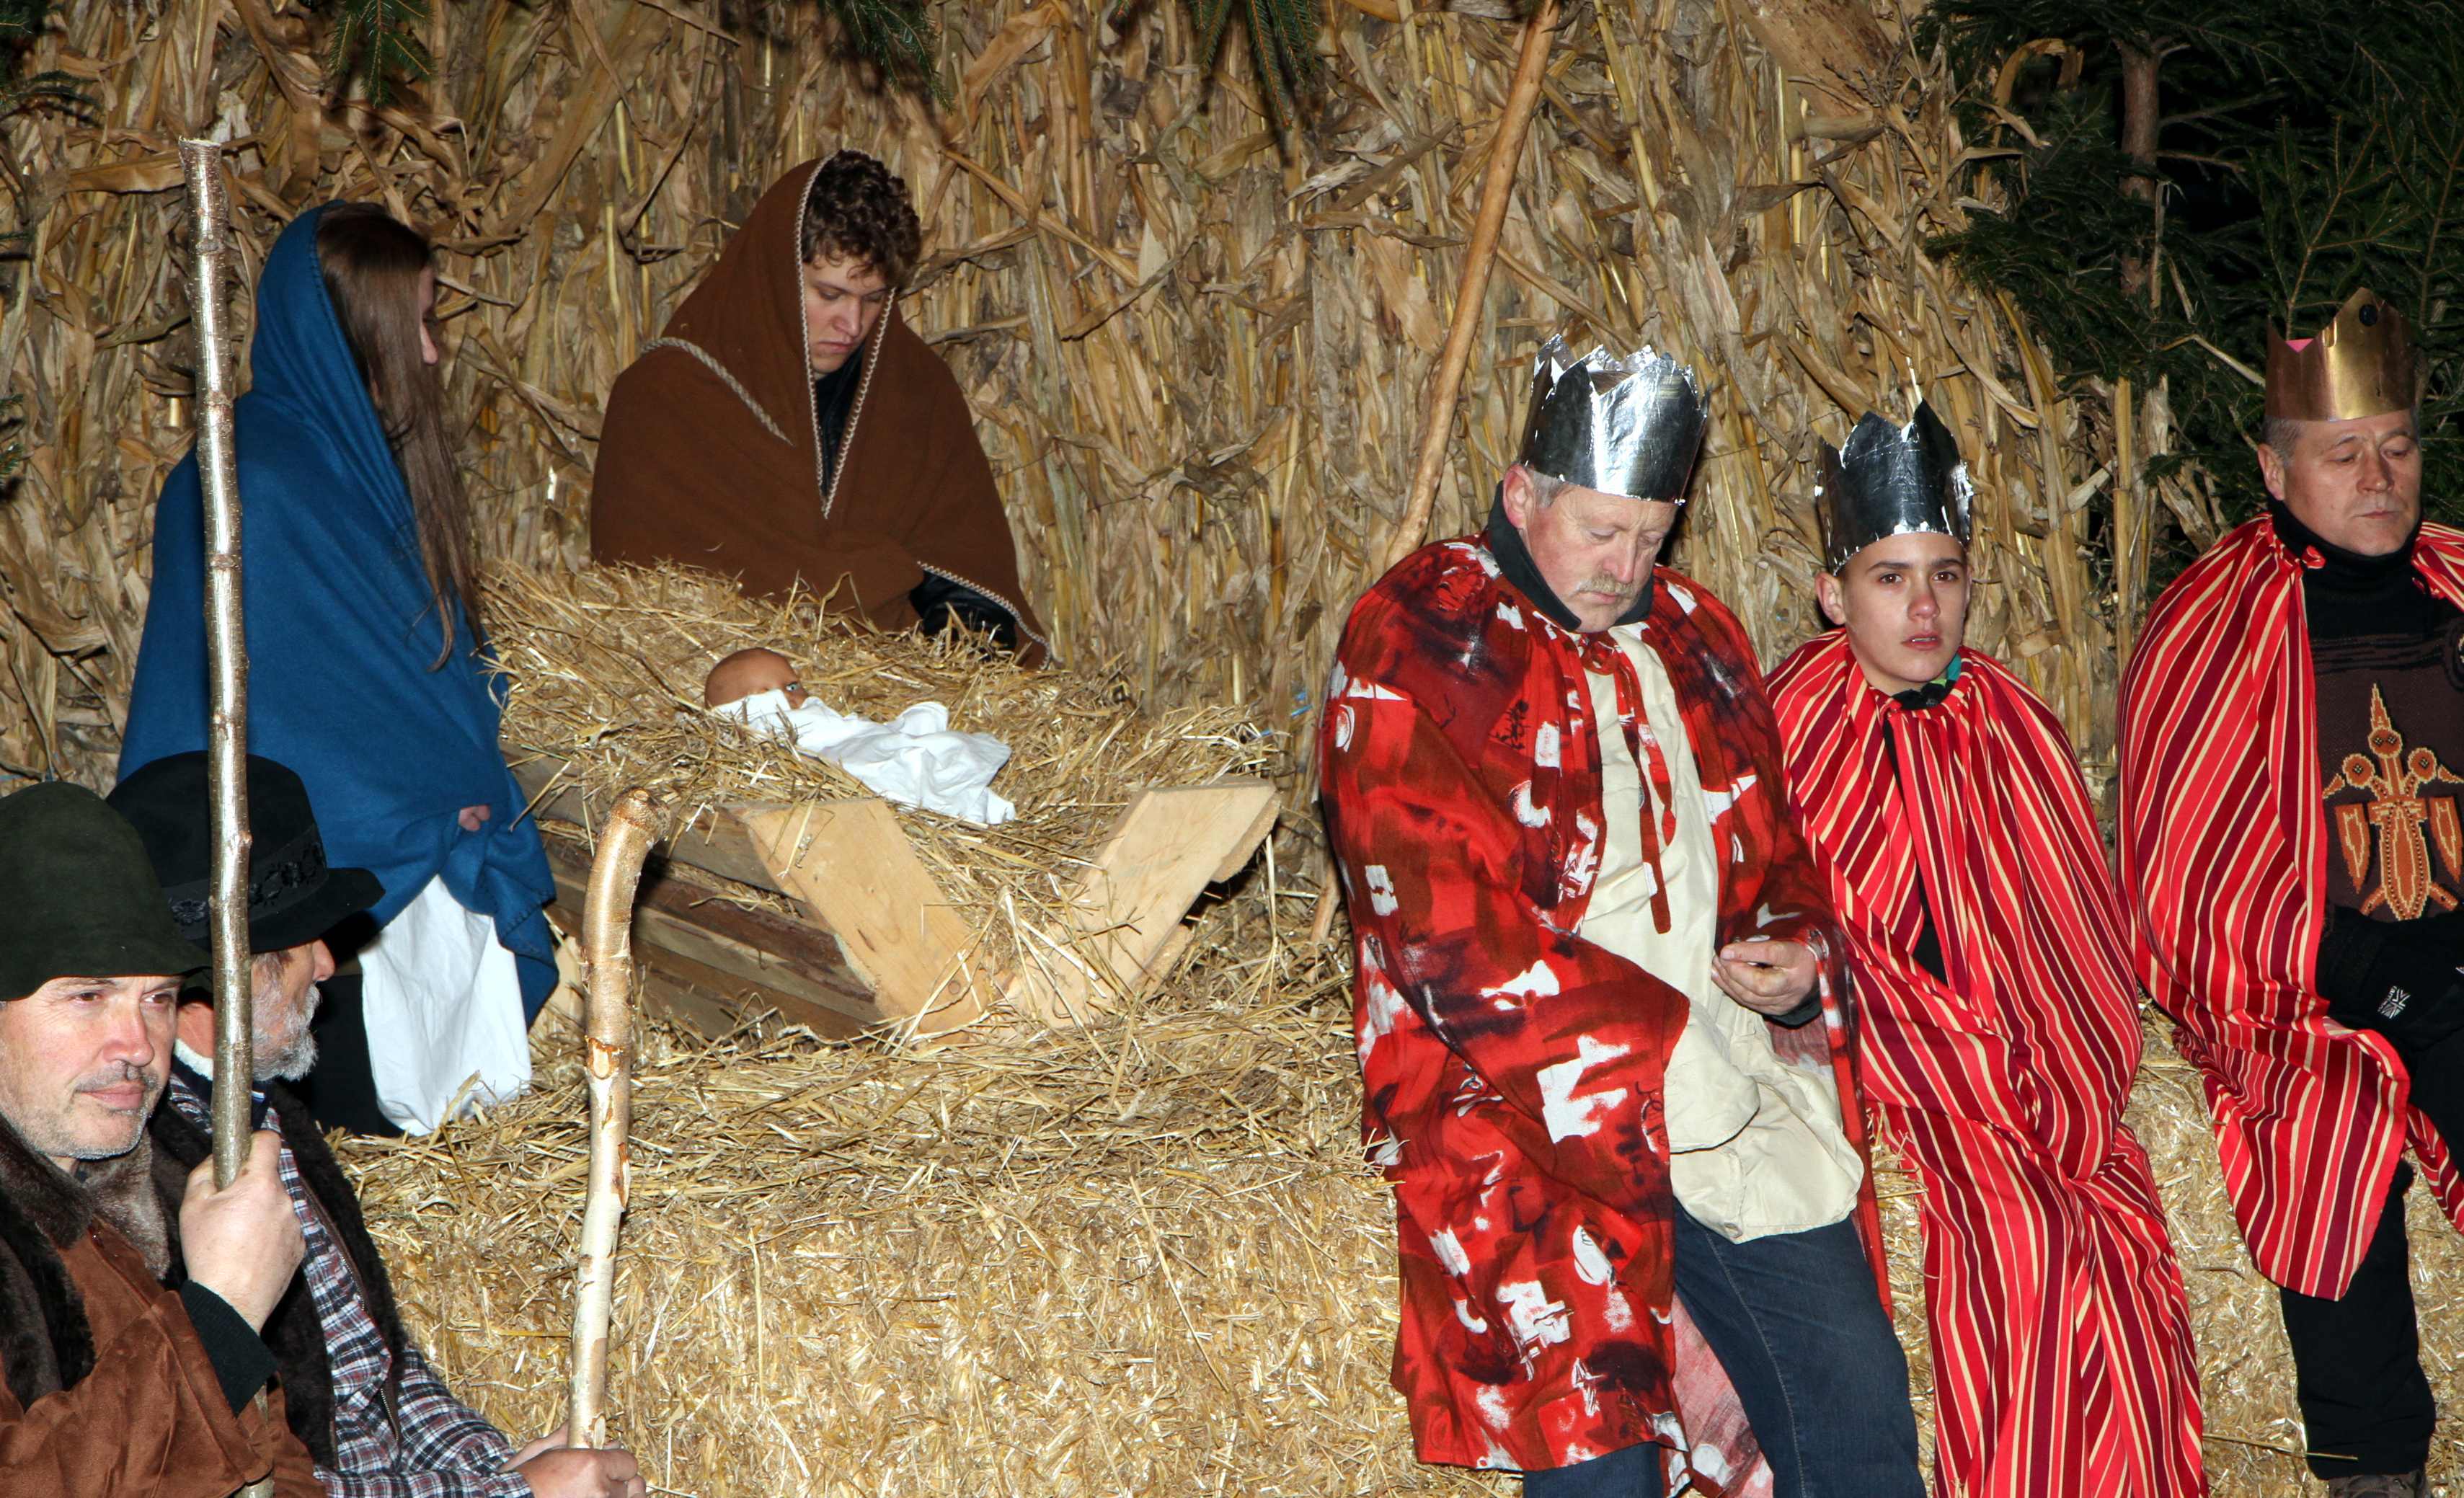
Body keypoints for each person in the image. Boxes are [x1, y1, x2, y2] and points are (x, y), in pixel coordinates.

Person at [1318, 337, 1924, 1495]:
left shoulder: (1695, 634)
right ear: (1520, 495)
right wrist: (1643, 1048)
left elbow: (1775, 849)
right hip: (1523, 1109)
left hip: (1728, 1091)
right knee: (1597, 1459)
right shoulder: (1419, 635)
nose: (1624, 563)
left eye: (1651, 534)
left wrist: (1795, 949)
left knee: (1855, 1412)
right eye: (1598, 531)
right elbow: (1439, 934)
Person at [1767, 403, 2205, 1496]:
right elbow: (1786, 932)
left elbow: (2079, 932)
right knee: (2023, 1245)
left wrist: (2060, 1062)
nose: (1923, 605)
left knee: (2124, 1242)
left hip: (2040, 1065)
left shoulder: (2010, 713)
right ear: (1833, 594)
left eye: (1946, 574)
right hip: (1894, 1071)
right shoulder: (1786, 723)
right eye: (1888, 577)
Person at [2121, 288, 2461, 1497]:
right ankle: (2375, 1472)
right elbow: (2178, 876)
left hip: (2460, 968)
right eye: (2338, 453)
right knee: (2328, 1154)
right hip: (2304, 985)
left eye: (2396, 446)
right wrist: (2348, 966)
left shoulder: (2457, 589)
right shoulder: (2212, 624)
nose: (2376, 476)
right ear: (2272, 467)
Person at [120, 203, 557, 1138]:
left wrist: (463, 780)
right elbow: (276, 721)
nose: (436, 355)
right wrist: (421, 812)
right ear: (353, 338)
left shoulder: (361, 474)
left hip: (381, 884)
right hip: (308, 893)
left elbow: (414, 685)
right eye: (420, 326)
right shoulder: (256, 480)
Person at [107, 752, 649, 1498]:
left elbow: (382, 1372)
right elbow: (250, 1480)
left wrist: (491, 1464)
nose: (330, 964)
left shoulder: (272, 1114)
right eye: (302, 945)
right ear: (227, 975)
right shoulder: (134, 1186)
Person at [591, 151, 1049, 661]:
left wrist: (961, 668)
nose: (851, 325)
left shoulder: (915, 391)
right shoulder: (665, 397)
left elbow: (963, 572)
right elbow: (648, 599)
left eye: (874, 299)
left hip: (893, 690)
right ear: (777, 275)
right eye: (829, 294)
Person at [0, 779, 319, 1497]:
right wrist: (220, 1318)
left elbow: (278, 1458)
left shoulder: (139, 1199)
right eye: (88, 995)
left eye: (160, 997)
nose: (139, 1043)